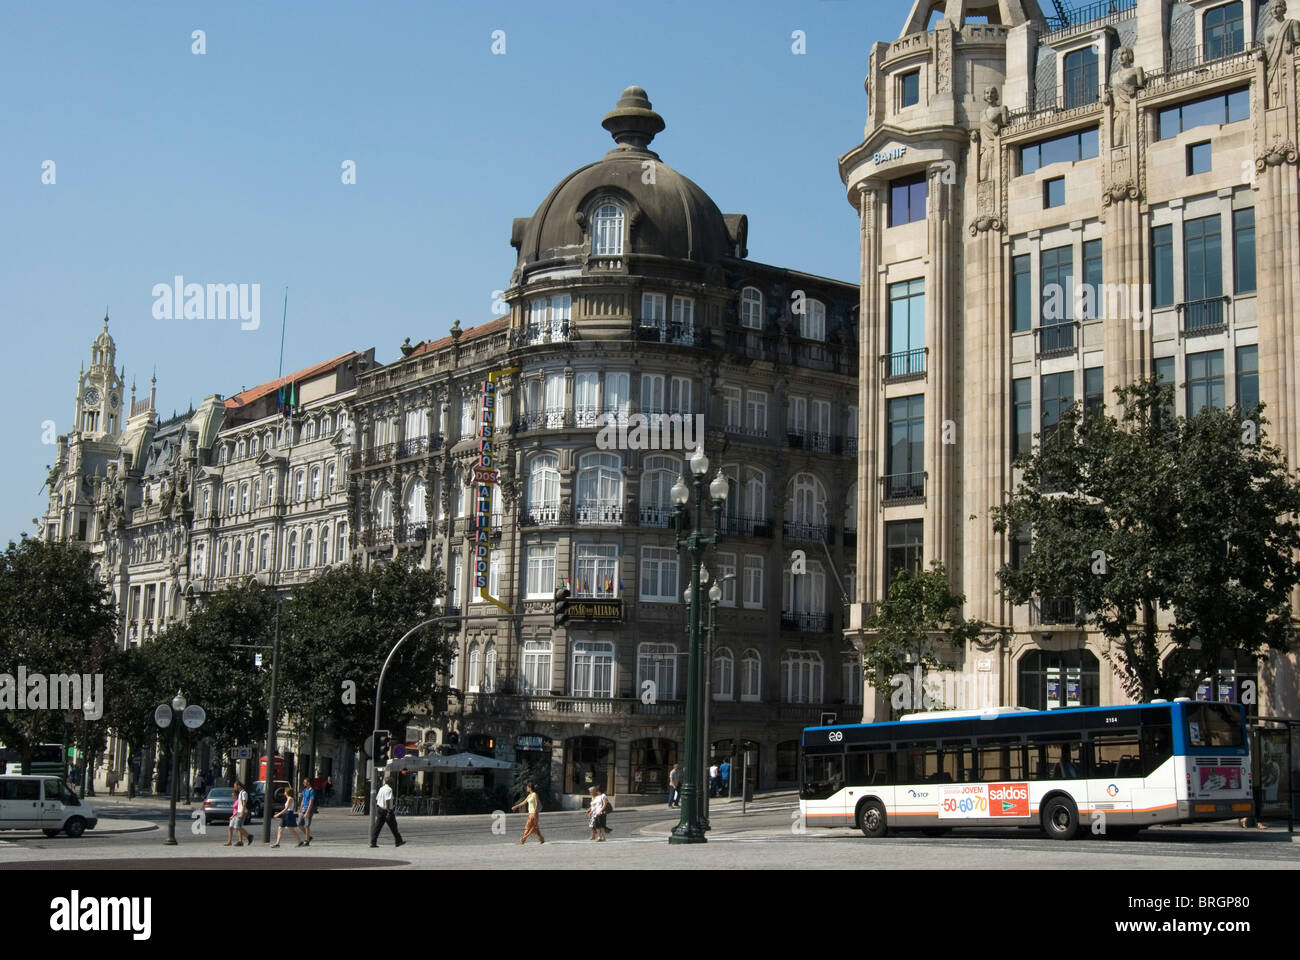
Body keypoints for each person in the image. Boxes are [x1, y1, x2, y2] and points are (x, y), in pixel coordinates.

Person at [370, 776, 405, 848]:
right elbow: (387, 800)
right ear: (390, 782)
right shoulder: (389, 789)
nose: (393, 783)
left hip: (380, 809)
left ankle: (373, 842)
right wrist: (388, 811)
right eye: (392, 782)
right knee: (393, 826)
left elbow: (377, 799)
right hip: (387, 810)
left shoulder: (381, 788)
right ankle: (398, 841)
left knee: (377, 827)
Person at [226, 780, 252, 847]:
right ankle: (245, 839)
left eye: (235, 786)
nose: (234, 788)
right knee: (237, 827)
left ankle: (249, 836)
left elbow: (244, 804)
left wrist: (241, 813)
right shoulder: (240, 793)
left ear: (239, 786)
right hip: (239, 812)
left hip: (241, 812)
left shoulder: (243, 793)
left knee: (237, 826)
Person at [299, 777, 316, 845]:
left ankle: (307, 840)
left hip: (308, 809)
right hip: (303, 808)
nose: (303, 783)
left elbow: (311, 802)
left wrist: (307, 812)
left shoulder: (312, 791)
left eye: (305, 782)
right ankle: (309, 837)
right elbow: (303, 799)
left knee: (306, 825)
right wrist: (300, 808)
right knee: (299, 824)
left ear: (308, 783)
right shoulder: (304, 790)